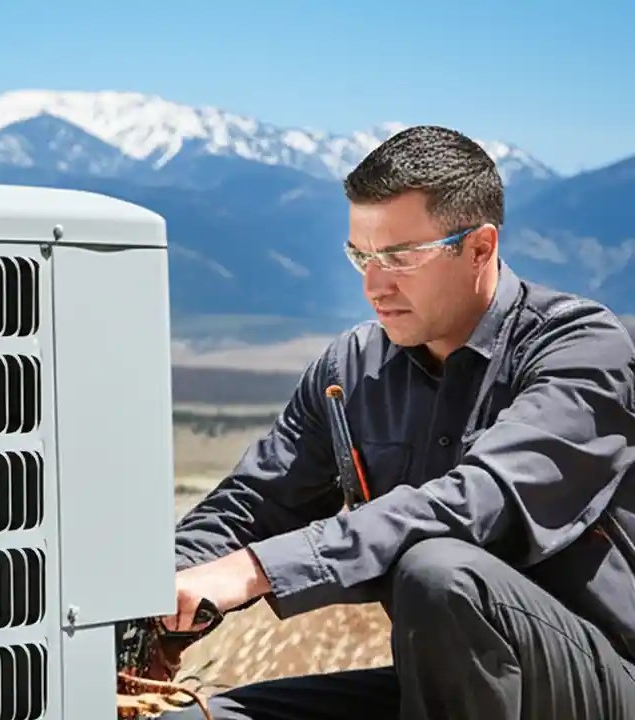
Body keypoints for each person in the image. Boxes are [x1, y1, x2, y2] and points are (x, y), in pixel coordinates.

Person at [161, 125, 635, 718]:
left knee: (439, 569)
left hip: (597, 682)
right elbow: (252, 506)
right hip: (442, 686)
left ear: (480, 248)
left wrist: (259, 571)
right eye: (361, 255)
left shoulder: (580, 349)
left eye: (400, 258)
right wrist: (155, 597)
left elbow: (476, 506)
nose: (373, 285)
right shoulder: (348, 370)